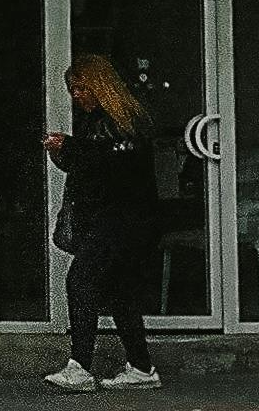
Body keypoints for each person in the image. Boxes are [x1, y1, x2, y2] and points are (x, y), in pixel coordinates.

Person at [43, 52, 163, 392]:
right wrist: (62, 152)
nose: (76, 95)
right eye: (72, 89)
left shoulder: (120, 121)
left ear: (99, 86)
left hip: (122, 219)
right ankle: (141, 367)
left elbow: (110, 166)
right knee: (121, 292)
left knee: (81, 281)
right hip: (121, 219)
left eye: (81, 87)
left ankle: (79, 366)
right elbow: (90, 165)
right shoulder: (100, 120)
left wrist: (71, 148)